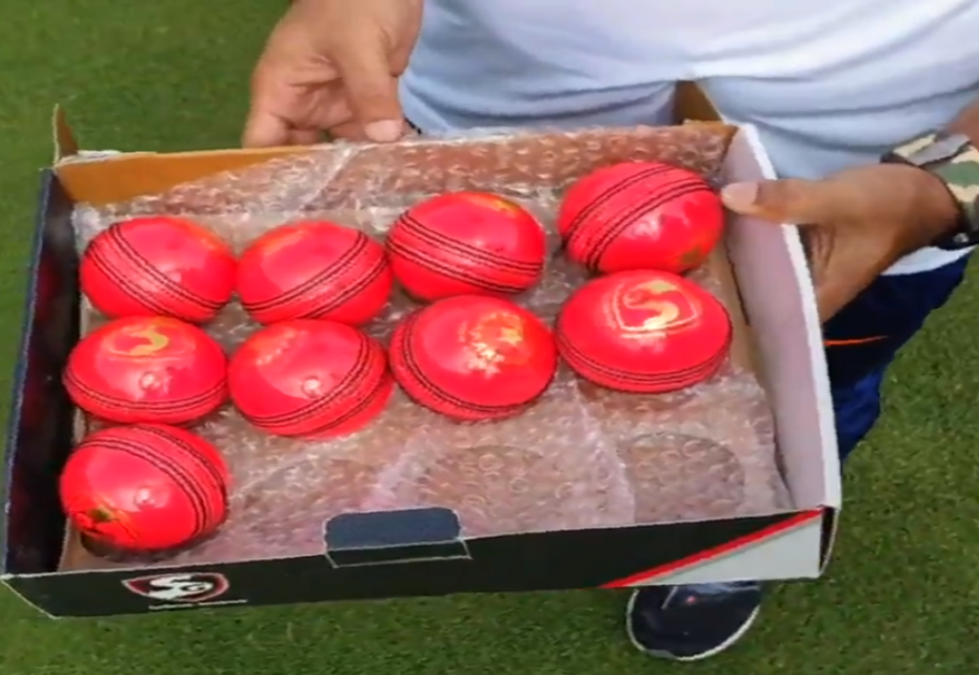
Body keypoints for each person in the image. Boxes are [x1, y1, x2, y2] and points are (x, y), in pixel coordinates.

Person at [243, 0, 979, 662]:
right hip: (482, 124)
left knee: (811, 392)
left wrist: (949, 182)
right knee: (458, 376)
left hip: (852, 188)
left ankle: (730, 547)